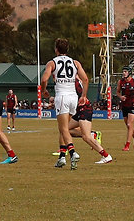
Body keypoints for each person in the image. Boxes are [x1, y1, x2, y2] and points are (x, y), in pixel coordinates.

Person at [41, 38, 89, 169]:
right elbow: (85, 79)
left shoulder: (52, 63)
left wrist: (44, 91)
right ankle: (62, 157)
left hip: (62, 96)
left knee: (63, 128)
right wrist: (83, 96)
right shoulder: (75, 62)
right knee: (64, 128)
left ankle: (73, 153)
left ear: (56, 49)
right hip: (73, 97)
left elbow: (44, 79)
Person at [68, 77, 113, 164]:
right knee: (66, 130)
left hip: (84, 108)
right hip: (80, 109)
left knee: (86, 137)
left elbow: (85, 81)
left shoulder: (71, 81)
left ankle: (106, 156)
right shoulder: (74, 79)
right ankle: (92, 134)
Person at [117, 66, 134, 151]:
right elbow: (118, 92)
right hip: (125, 105)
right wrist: (120, 97)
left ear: (129, 73)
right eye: (123, 71)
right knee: (128, 126)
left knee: (129, 124)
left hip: (133, 105)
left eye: (125, 71)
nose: (123, 73)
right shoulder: (120, 82)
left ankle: (127, 145)